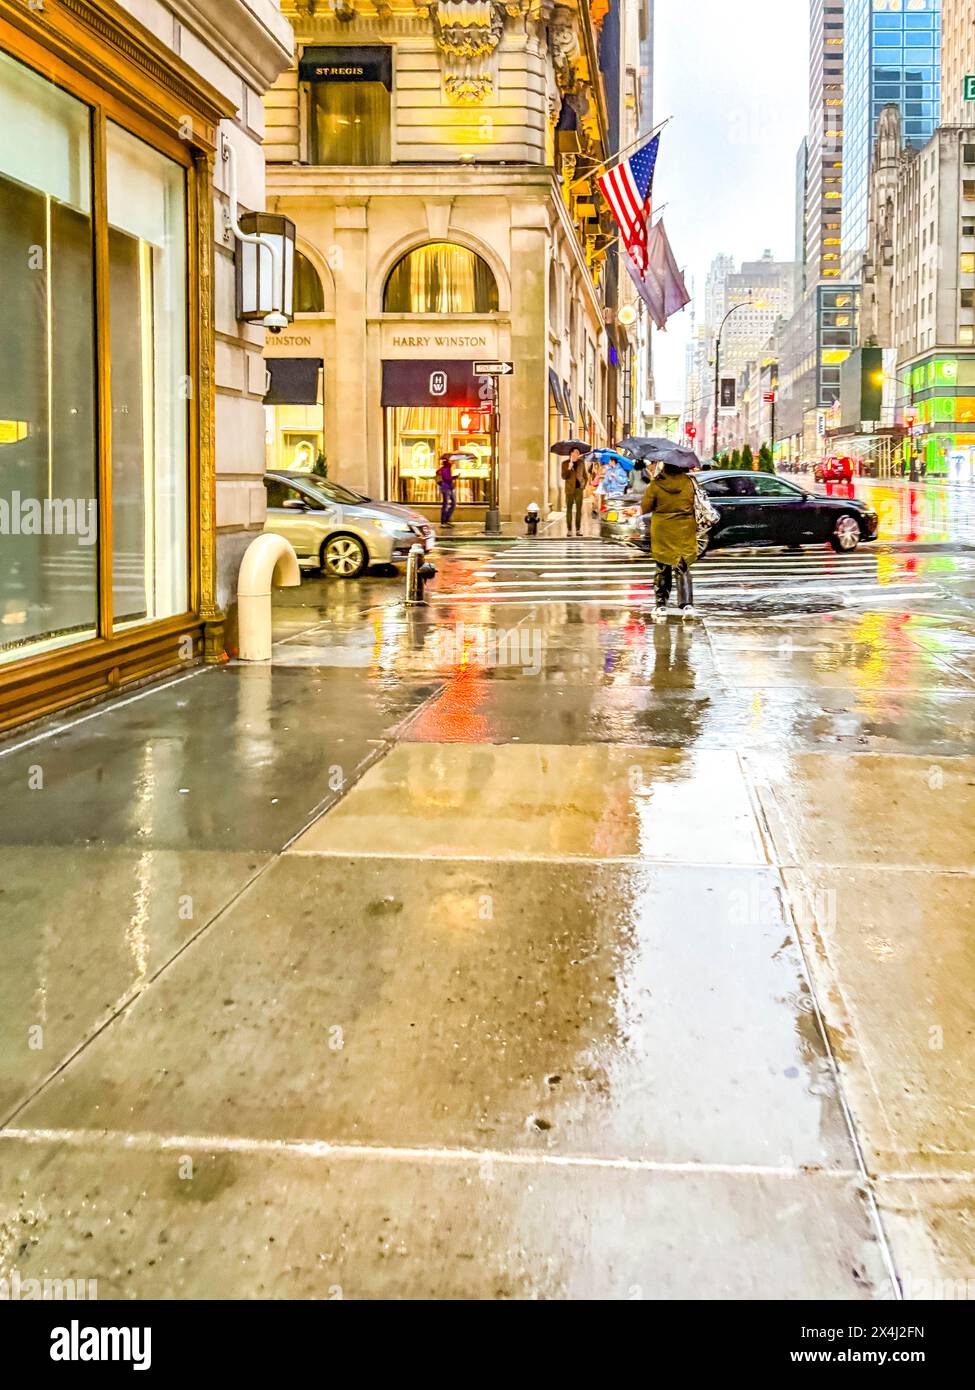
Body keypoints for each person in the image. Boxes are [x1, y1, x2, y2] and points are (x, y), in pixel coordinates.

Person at [642, 462, 700, 620]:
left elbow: (645, 507)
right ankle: (687, 605)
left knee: (662, 565)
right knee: (683, 565)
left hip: (663, 529)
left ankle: (661, 605)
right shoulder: (689, 482)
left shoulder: (657, 484)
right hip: (684, 528)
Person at [561, 447, 590, 536]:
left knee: (578, 510)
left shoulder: (581, 463)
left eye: (578, 453)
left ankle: (578, 529)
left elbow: (585, 475)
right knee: (569, 510)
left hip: (579, 490)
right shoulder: (565, 463)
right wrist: (569, 468)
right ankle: (569, 530)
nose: (578, 454)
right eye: (576, 452)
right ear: (571, 453)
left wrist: (583, 486)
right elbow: (564, 476)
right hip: (569, 490)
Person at [437, 454, 456, 526]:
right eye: (451, 462)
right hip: (446, 488)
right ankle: (444, 521)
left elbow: (448, 478)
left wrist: (453, 477)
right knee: (446, 504)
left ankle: (447, 519)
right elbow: (447, 479)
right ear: (447, 463)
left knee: (453, 503)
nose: (452, 463)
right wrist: (454, 478)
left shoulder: (448, 469)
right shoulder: (445, 469)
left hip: (449, 488)